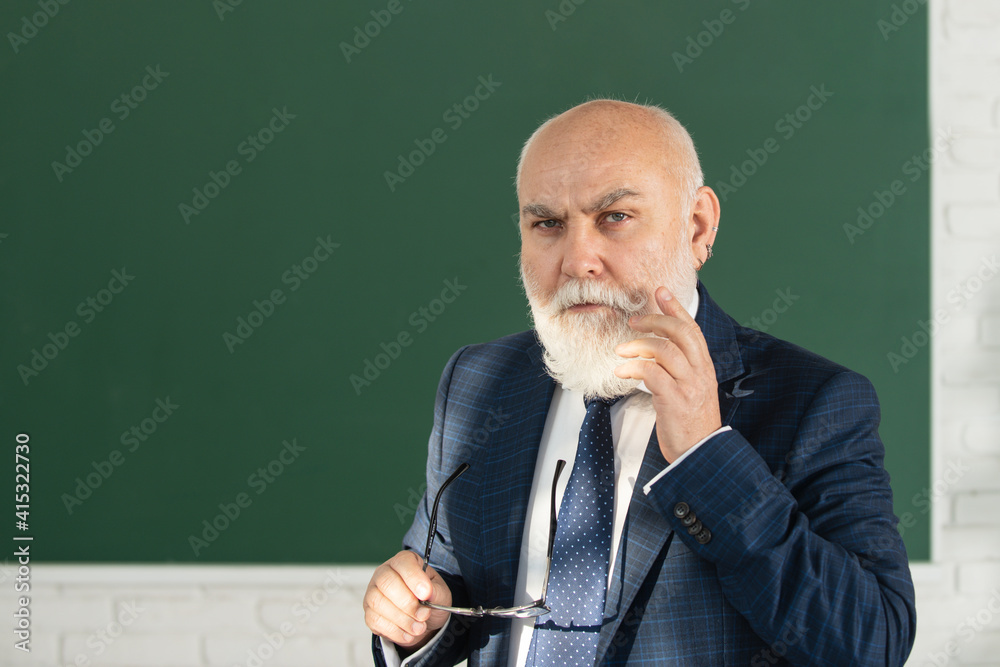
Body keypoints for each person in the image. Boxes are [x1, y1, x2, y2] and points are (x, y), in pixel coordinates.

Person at [363, 99, 916, 666]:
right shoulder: (476, 385)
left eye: (614, 217)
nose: (579, 260)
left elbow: (871, 646)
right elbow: (443, 582)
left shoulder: (815, 401)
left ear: (697, 227)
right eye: (548, 224)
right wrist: (418, 619)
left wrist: (707, 454)